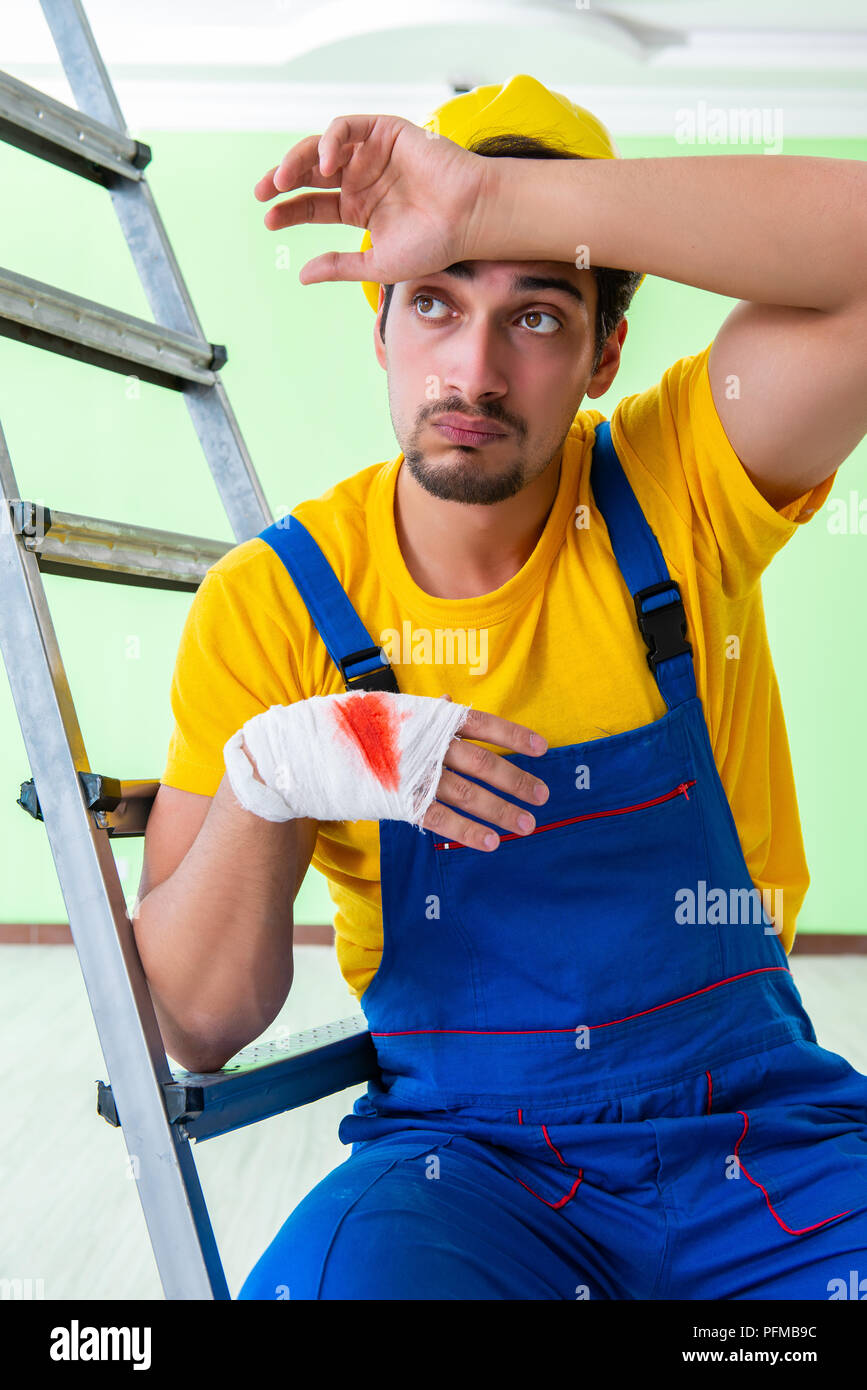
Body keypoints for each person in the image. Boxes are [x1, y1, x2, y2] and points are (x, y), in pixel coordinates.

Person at [136, 75, 867, 1299]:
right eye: (434, 302)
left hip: (759, 1147)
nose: (471, 371)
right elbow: (200, 1022)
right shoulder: (273, 606)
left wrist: (489, 200)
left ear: (604, 352)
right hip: (470, 1176)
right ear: (377, 324)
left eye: (535, 315)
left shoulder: (680, 482)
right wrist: (273, 773)